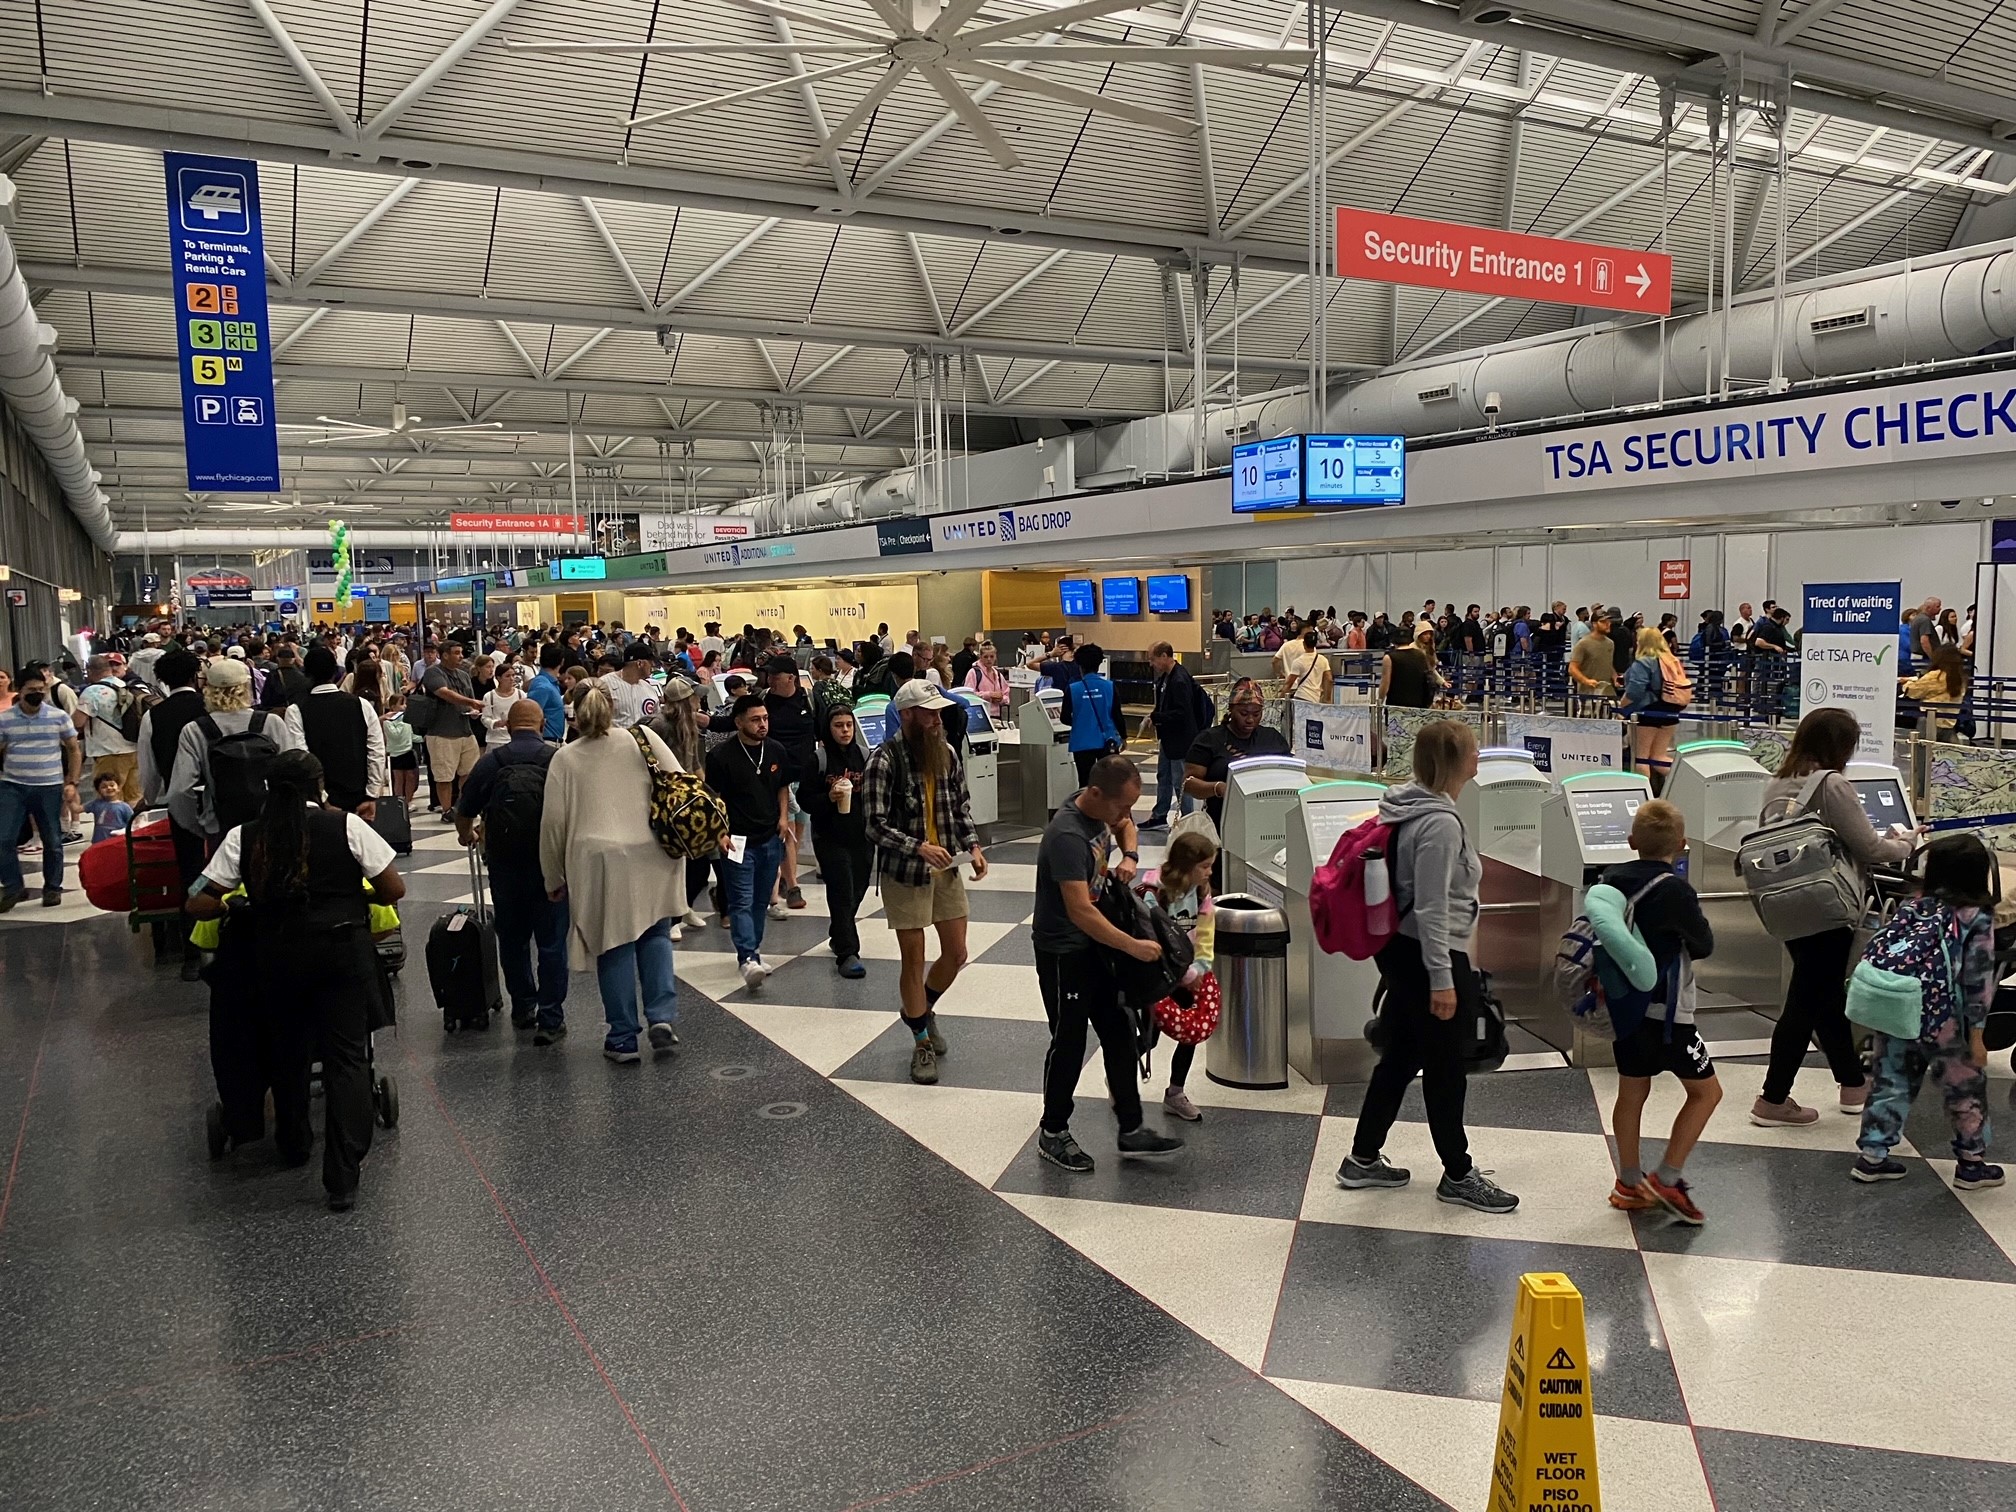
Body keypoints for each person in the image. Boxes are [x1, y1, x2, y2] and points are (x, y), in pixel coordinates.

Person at [186, 750, 403, 1212]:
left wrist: (232, 907)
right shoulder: (345, 826)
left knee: (288, 1050)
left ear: (268, 789)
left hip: (277, 957)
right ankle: (343, 1176)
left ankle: (294, 1142)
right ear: (317, 785)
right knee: (347, 1058)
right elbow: (393, 889)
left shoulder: (245, 837)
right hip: (341, 951)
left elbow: (199, 904)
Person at [1337, 720, 1519, 1214]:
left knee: (1400, 1052)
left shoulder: (1411, 804)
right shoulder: (1438, 822)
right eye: (1474, 747)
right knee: (1445, 1064)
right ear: (1455, 759)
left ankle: (1363, 1157)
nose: (1480, 753)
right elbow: (1433, 907)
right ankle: (1458, 1173)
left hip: (1402, 949)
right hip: (1427, 955)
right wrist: (1443, 979)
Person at [1753, 708, 1913, 1127]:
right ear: (1841, 746)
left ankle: (1852, 1083)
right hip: (1827, 905)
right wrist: (1906, 846)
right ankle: (1772, 1098)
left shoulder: (1778, 782)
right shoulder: (1832, 784)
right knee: (1806, 1001)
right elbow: (1871, 849)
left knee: (1822, 994)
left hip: (1786, 903)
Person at [1031, 754, 1184, 1173]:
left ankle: (1131, 1128)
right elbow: (1079, 910)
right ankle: (1053, 1131)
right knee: (1069, 1040)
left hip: (1093, 947)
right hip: (1064, 951)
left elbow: (1125, 826)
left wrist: (1130, 856)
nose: (1125, 814)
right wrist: (1134, 947)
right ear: (1096, 794)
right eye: (1120, 805)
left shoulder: (1098, 807)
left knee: (1118, 1030)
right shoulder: (1066, 836)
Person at [538, 686, 687, 1062]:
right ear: (614, 707)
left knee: (614, 943)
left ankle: (622, 1038)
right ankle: (661, 1017)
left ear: (574, 714)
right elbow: (681, 784)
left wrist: (552, 877)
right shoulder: (642, 737)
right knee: (655, 934)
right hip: (653, 850)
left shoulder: (565, 759)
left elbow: (553, 825)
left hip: (598, 859)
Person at [1590, 800, 1721, 1224]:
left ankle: (1628, 1182)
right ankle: (1667, 1177)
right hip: (1668, 1015)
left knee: (1632, 1091)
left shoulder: (1612, 880)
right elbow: (1703, 945)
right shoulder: (1675, 890)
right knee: (1707, 1092)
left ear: (1631, 842)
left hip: (1625, 1007)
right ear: (1682, 845)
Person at [1850, 834, 2003, 1189]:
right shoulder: (1976, 916)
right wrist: (1977, 1035)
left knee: (1891, 1080)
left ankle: (1873, 1157)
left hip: (1900, 1008)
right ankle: (1972, 1164)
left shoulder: (1915, 905)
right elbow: (1978, 980)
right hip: (1945, 1020)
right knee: (1964, 1087)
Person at [862, 680, 989, 1085]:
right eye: (929, 713)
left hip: (947, 867)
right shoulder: (884, 761)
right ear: (907, 715)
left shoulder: (947, 753)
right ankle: (920, 1041)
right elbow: (874, 825)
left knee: (956, 954)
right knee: (913, 959)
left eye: (938, 712)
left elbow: (960, 806)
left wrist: (973, 844)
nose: (937, 720)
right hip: (907, 873)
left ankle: (920, 1010)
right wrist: (917, 847)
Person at [458, 700, 570, 1040]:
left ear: (507, 725)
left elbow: (465, 811)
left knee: (512, 937)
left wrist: (469, 834)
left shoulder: (492, 761)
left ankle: (523, 1007)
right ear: (542, 724)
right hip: (549, 864)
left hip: (505, 865)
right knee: (551, 942)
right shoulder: (556, 760)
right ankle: (551, 1018)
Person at [705, 694, 793, 988]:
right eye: (755, 720)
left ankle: (753, 951)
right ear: (739, 722)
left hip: (770, 837)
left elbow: (782, 787)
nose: (762, 724)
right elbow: (712, 799)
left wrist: (783, 819)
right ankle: (746, 958)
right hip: (737, 840)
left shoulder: (776, 750)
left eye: (765, 718)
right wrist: (719, 833)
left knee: (759, 901)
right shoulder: (720, 756)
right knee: (741, 901)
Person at [167, 659, 303, 845]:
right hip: (270, 822)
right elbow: (294, 774)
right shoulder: (271, 723)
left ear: (207, 688)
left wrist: (200, 826)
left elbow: (179, 792)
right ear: (246, 687)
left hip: (221, 825)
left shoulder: (194, 730)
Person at [137, 647, 210, 976]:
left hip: (178, 804)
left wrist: (151, 800)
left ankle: (192, 953)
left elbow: (148, 769)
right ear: (196, 675)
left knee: (190, 873)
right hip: (220, 800)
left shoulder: (153, 716)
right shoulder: (210, 707)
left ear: (162, 681)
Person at [1141, 828, 1217, 1122]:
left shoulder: (1201, 893)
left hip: (1188, 973)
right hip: (1160, 976)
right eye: (1205, 866)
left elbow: (1207, 935)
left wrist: (1200, 968)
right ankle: (1119, 1078)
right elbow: (1152, 936)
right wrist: (1181, 973)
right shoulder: (1154, 894)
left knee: (1191, 1033)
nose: (1210, 872)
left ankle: (1175, 1092)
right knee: (1150, 1037)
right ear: (1187, 866)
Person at [0, 668, 82, 911]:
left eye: (40, 690)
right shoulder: (5, 719)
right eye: (31, 690)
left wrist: (72, 782)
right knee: (4, 838)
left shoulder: (57, 717)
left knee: (53, 840)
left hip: (49, 785)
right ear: (20, 690)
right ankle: (14, 887)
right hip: (12, 785)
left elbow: (73, 749)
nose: (37, 694)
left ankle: (53, 888)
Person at [800, 702, 870, 979]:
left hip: (861, 834)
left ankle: (838, 931)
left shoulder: (864, 756)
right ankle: (847, 951)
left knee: (859, 887)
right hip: (829, 836)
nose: (845, 731)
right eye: (838, 726)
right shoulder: (818, 760)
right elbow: (805, 799)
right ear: (828, 729)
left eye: (849, 725)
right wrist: (827, 799)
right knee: (841, 890)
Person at [284, 645, 388, 817]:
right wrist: (372, 794)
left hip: (319, 802)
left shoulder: (296, 710)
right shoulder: (361, 704)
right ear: (334, 672)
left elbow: (302, 758)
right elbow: (376, 750)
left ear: (306, 673)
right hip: (359, 796)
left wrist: (323, 799)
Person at [644, 680, 714, 934]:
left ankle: (684, 906)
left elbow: (694, 763)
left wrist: (705, 796)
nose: (699, 701)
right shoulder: (659, 725)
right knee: (673, 862)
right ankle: (671, 917)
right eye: (695, 697)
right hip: (664, 802)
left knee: (698, 864)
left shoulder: (690, 726)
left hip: (685, 800)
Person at [1182, 679, 1291, 841]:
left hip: (1268, 825)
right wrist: (1218, 788)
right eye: (1244, 714)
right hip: (1222, 825)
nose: (1250, 720)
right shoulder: (1210, 739)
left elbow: (1291, 775)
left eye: (1256, 714)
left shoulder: (1273, 738)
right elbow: (1188, 783)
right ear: (1231, 710)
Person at [761, 657, 815, 913]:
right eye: (768, 675)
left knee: (798, 830)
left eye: (775, 675)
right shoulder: (764, 701)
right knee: (788, 831)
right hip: (779, 778)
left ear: (791, 678)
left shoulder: (809, 700)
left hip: (805, 774)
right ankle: (792, 886)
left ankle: (786, 876)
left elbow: (822, 729)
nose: (770, 680)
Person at [1142, 641, 1206, 830]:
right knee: (1164, 776)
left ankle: (1188, 821)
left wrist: (1157, 717)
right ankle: (1160, 814)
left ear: (1164, 656)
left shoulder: (1179, 679)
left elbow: (1182, 712)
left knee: (1181, 782)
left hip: (1180, 740)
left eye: (1153, 659)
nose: (1151, 664)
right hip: (1169, 739)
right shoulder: (1166, 678)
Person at [420, 641, 485, 819]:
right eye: (456, 653)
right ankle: (446, 809)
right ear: (445, 655)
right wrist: (470, 702)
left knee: (469, 772)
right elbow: (444, 693)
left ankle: (463, 806)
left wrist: (474, 711)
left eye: (461, 653)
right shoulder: (433, 672)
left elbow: (470, 699)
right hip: (442, 733)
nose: (461, 656)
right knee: (444, 776)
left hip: (465, 730)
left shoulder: (464, 675)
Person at [1620, 626, 1681, 794]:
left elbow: (1635, 691)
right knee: (1658, 757)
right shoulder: (1670, 660)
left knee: (1641, 758)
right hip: (1670, 711)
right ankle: (1687, 782)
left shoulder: (1644, 662)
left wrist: (1621, 705)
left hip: (1648, 713)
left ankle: (1644, 799)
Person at [75, 653, 143, 804]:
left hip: (108, 752)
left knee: (110, 798)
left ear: (89, 670)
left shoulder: (92, 692)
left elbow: (78, 722)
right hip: (134, 749)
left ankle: (114, 828)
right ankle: (135, 825)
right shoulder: (125, 685)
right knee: (134, 797)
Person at [1063, 642, 1123, 787]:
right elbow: (1117, 715)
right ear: (1098, 664)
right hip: (1106, 740)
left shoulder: (1072, 689)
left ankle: (1087, 809)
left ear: (1080, 665)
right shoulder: (1109, 686)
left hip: (1081, 742)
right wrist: (1124, 736)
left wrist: (1079, 722)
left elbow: (1064, 717)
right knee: (1109, 782)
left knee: (1085, 782)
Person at [1900, 645, 1968, 738]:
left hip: (1929, 721)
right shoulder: (1960, 677)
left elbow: (1914, 691)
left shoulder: (1936, 675)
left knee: (1923, 750)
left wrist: (1906, 684)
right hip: (1950, 722)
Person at [598, 642, 661, 730]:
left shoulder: (649, 689)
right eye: (650, 663)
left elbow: (657, 719)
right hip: (614, 741)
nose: (653, 666)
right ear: (640, 663)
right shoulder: (603, 684)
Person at [1380, 626, 1442, 709]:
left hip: (1396, 705)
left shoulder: (1389, 657)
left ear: (1393, 641)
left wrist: (1380, 701)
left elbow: (1385, 684)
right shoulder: (1421, 655)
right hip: (1419, 704)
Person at [1568, 606, 1620, 697]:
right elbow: (1572, 668)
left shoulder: (1610, 643)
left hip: (1607, 690)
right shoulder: (1583, 643)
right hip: (1588, 692)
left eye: (1609, 621)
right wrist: (1586, 681)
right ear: (1594, 624)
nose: (1607, 624)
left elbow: (1607, 663)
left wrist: (1615, 677)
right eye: (1603, 622)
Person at [1276, 627, 1333, 704]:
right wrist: (1328, 699)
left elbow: (1289, 684)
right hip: (1316, 698)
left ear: (1303, 644)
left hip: (1301, 697)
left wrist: (1280, 700)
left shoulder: (1298, 662)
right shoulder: (1323, 660)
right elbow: (1329, 679)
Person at [960, 639, 1010, 723]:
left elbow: (1007, 695)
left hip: (997, 716)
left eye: (992, 656)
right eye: (986, 657)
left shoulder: (998, 675)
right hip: (979, 715)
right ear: (980, 657)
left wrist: (1001, 699)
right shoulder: (974, 673)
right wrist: (989, 695)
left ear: (995, 657)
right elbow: (968, 695)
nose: (989, 659)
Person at [527, 642, 568, 741]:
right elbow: (530, 716)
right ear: (562, 661)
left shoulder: (551, 684)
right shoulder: (543, 687)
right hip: (546, 740)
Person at [85, 772, 134, 843]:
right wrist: (70, 799)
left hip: (117, 842)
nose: (109, 788)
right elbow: (77, 809)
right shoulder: (96, 804)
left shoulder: (124, 807)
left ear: (118, 788)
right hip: (99, 842)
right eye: (104, 787)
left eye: (112, 785)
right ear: (98, 791)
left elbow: (132, 824)